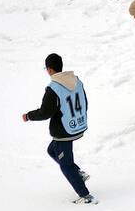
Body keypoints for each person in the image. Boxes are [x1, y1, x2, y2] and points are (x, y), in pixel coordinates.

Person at [22, 53, 96, 203]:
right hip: (78, 124)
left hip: (64, 131)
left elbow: (45, 112)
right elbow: (85, 102)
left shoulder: (54, 88)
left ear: (49, 69)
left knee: (65, 165)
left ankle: (86, 196)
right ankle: (77, 174)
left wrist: (29, 116)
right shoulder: (76, 80)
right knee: (52, 150)